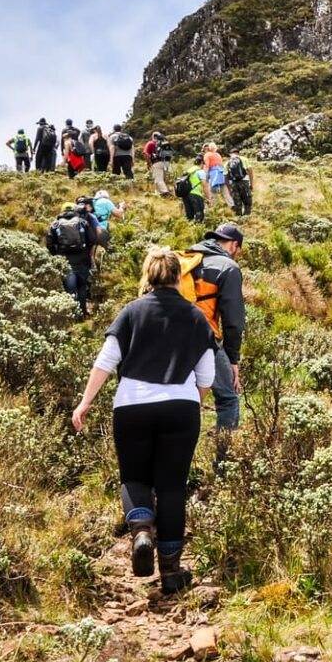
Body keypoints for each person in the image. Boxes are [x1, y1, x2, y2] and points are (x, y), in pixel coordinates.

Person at [70, 247, 215, 594]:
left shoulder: (131, 312)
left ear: (148, 275)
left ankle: (142, 533)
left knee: (134, 476)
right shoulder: (196, 317)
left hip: (131, 406)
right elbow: (207, 378)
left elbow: (106, 361)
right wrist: (190, 402)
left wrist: (85, 402)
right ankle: (170, 570)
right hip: (180, 407)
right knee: (172, 485)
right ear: (179, 277)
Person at [182, 223, 246, 431]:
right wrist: (232, 359)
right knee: (228, 398)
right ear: (234, 245)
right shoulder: (228, 267)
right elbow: (233, 321)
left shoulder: (186, 259)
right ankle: (225, 459)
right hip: (203, 337)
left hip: (168, 334)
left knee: (177, 398)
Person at [47, 202, 96, 318]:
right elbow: (93, 239)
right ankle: (83, 312)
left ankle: (73, 316)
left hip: (65, 262)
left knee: (70, 289)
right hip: (83, 260)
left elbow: (49, 244)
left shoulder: (55, 225)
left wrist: (56, 255)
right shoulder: (83, 222)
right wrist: (88, 253)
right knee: (82, 287)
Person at [176, 158, 205, 223]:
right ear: (202, 163)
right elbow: (205, 185)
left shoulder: (188, 171)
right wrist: (209, 197)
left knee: (189, 215)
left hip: (185, 195)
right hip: (195, 194)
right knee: (199, 214)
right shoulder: (200, 171)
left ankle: (189, 229)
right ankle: (198, 229)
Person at [226, 151, 253, 216]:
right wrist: (251, 183)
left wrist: (229, 188)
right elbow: (250, 171)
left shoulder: (228, 162)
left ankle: (238, 218)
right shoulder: (244, 159)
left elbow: (225, 175)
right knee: (247, 202)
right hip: (244, 182)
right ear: (238, 153)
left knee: (237, 202)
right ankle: (247, 217)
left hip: (233, 183)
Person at [145, 132, 172, 196]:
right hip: (167, 162)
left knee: (158, 179)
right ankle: (160, 193)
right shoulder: (165, 143)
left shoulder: (150, 143)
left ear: (153, 136)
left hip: (157, 162)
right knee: (164, 179)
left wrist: (148, 163)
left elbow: (146, 154)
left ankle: (165, 193)